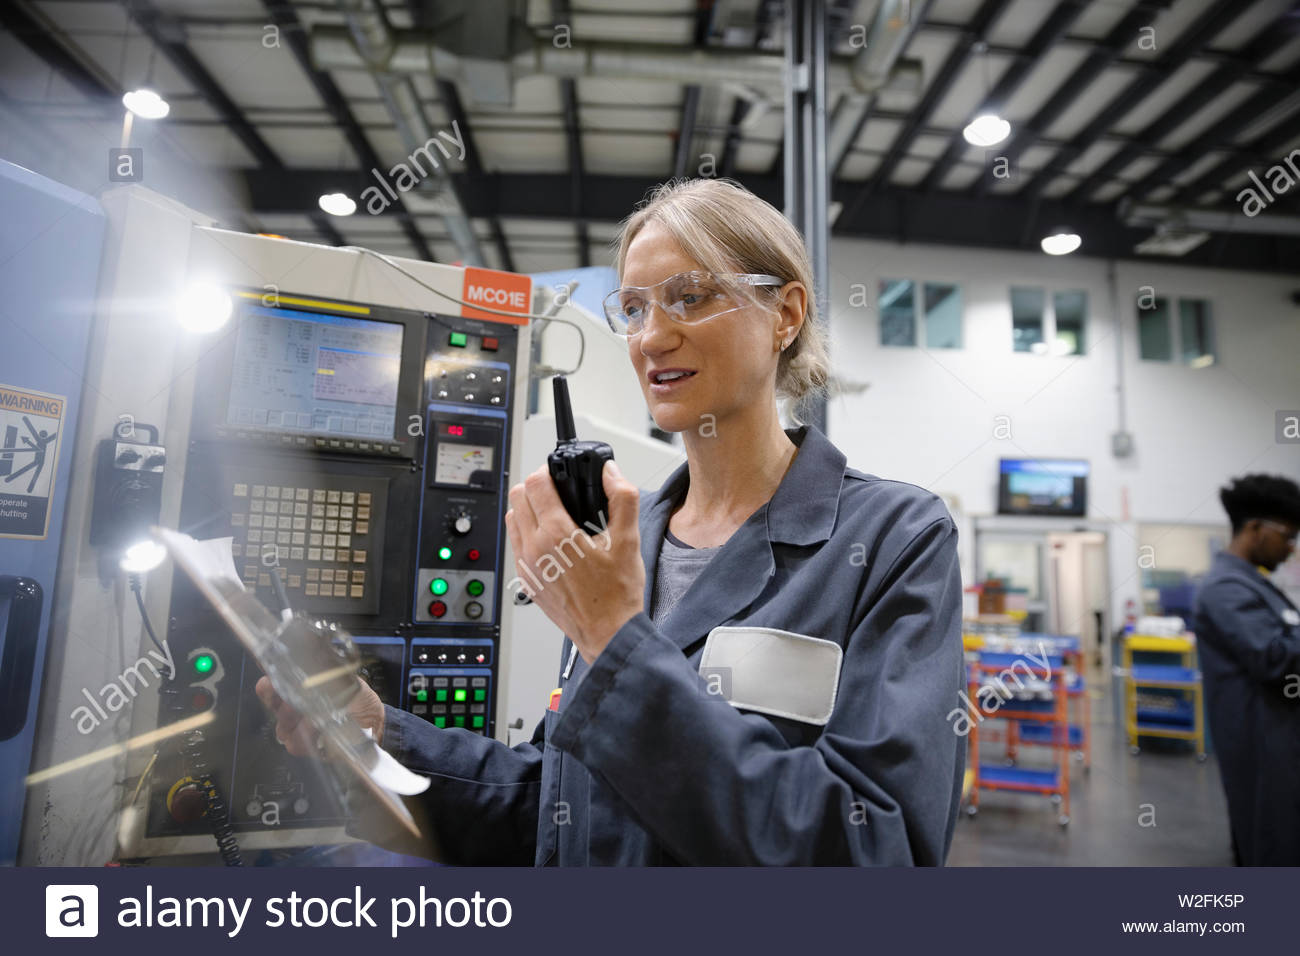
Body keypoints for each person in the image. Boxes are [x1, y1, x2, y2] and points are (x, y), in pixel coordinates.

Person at [259, 178, 965, 865]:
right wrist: (380, 732)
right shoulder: (630, 537)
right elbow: (554, 805)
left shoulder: (892, 539)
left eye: (691, 297)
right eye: (633, 307)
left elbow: (878, 846)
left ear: (785, 314)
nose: (652, 337)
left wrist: (613, 637)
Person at [1194, 473, 1300, 866]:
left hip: (1281, 742)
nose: (1291, 549)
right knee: (1274, 850)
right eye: (1288, 536)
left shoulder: (1254, 585)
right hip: (1263, 750)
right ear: (1254, 528)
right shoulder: (1225, 588)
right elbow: (1275, 658)